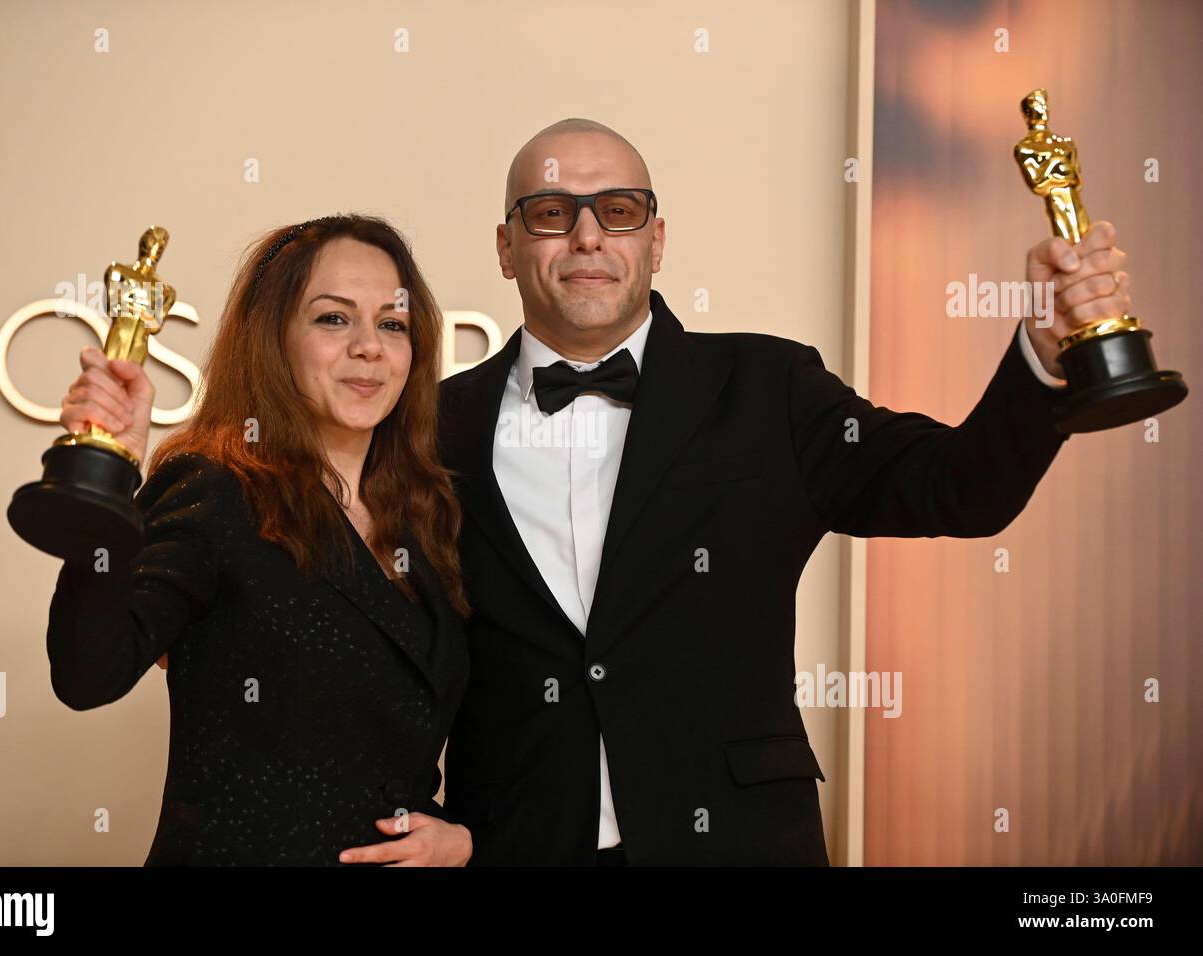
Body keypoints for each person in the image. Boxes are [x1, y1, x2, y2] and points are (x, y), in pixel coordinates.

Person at [433, 118, 1137, 865]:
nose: (587, 236)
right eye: (550, 212)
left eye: (619, 210)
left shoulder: (770, 390)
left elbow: (958, 488)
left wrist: (1045, 356)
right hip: (510, 847)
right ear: (507, 248)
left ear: (656, 241)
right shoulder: (430, 426)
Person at [45, 214, 473, 866]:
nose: (369, 347)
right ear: (274, 338)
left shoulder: (428, 514)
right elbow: (87, 673)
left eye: (393, 323)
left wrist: (458, 839)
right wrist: (105, 483)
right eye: (333, 319)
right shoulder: (216, 488)